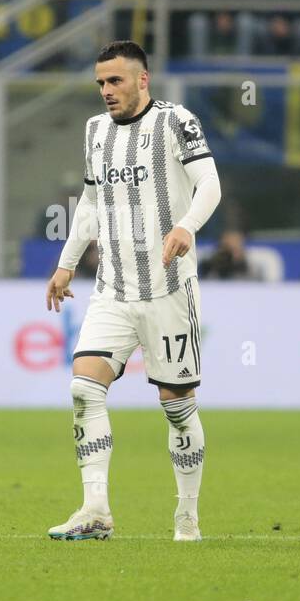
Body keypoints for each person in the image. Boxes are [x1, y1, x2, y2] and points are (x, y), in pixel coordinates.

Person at [45, 40, 222, 542]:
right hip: (113, 291)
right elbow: (90, 201)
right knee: (83, 388)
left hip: (169, 290)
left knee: (178, 407)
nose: (106, 91)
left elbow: (210, 184)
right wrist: (66, 264)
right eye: (100, 82)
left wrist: (186, 226)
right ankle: (95, 509)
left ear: (142, 80)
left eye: (115, 81)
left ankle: (187, 515)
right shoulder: (95, 131)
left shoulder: (177, 121)